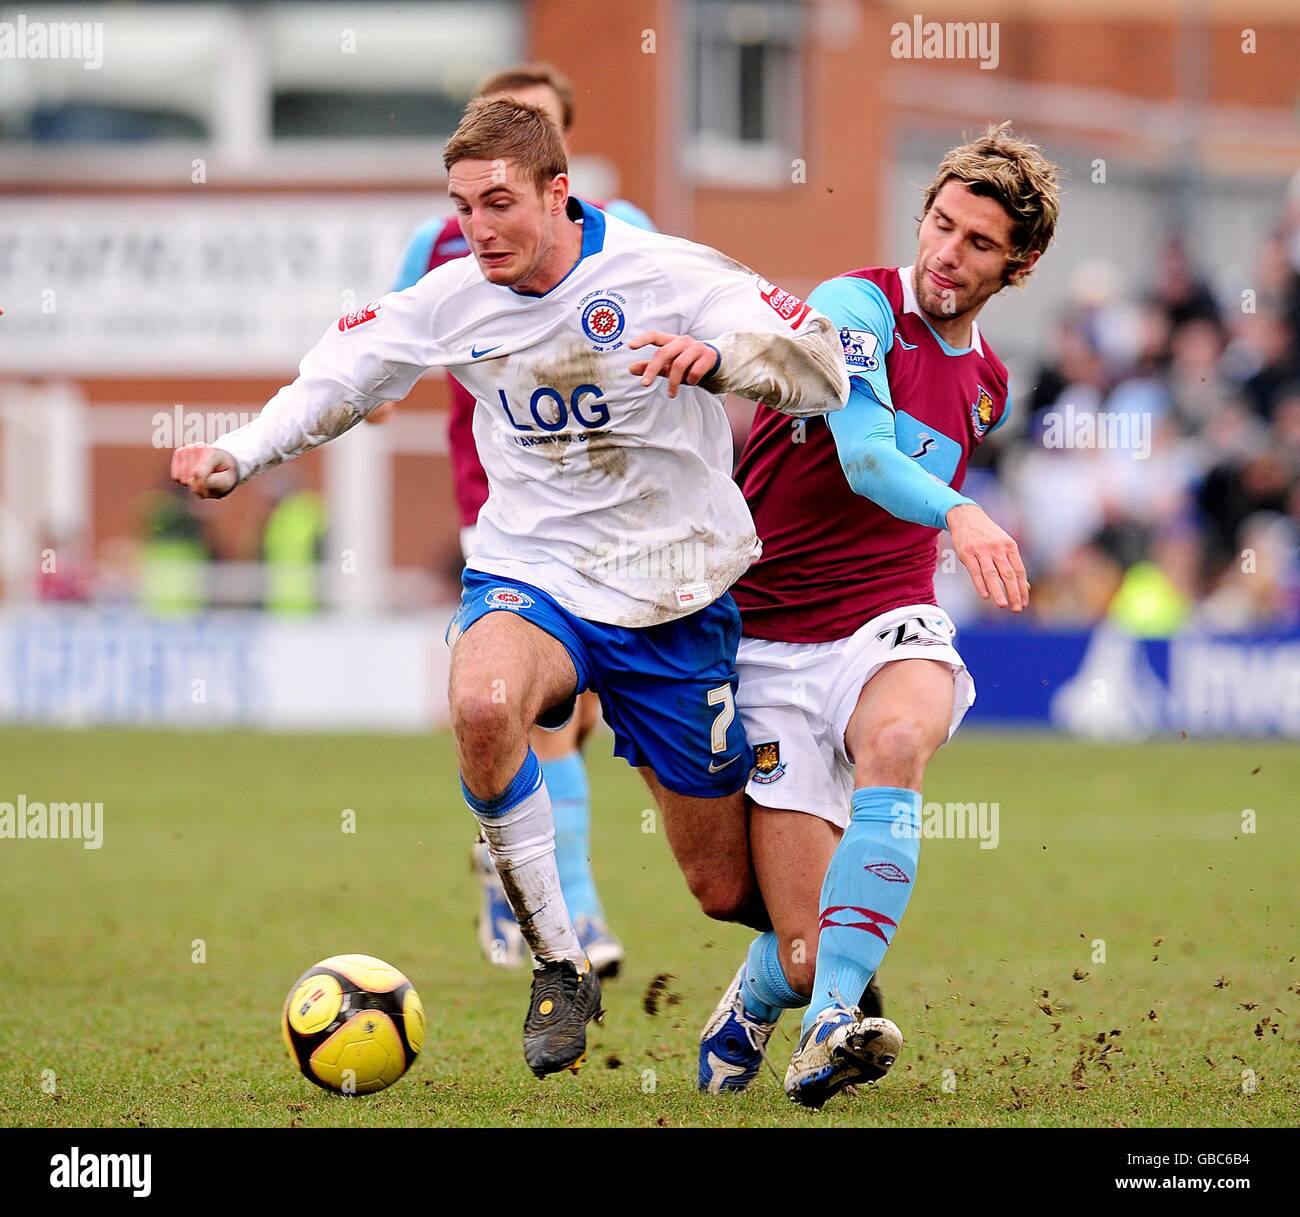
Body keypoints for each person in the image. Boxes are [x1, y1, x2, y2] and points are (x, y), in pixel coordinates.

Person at [172, 97, 848, 1078]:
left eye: (498, 203)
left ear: (558, 191)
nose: (478, 228)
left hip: (674, 597)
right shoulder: (455, 295)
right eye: (462, 207)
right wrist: (238, 451)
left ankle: (774, 978)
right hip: (531, 571)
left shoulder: (668, 275)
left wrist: (723, 358)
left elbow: (823, 366)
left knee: (722, 887)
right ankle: (558, 960)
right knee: (483, 704)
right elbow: (341, 373)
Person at [697, 122, 1060, 1108]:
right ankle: (775, 989)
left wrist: (948, 522)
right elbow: (863, 457)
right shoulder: (852, 305)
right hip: (763, 639)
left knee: (899, 736)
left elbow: (889, 497)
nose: (947, 253)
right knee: (806, 946)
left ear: (1017, 264)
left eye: (977, 243)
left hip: (887, 617)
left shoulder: (986, 384)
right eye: (940, 224)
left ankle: (828, 1028)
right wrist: (964, 510)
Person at [386, 63, 654, 978]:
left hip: (616, 520)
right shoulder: (439, 244)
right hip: (502, 516)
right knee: (541, 716)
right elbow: (387, 356)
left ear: (559, 163)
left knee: (567, 724)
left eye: (534, 130)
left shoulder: (631, 239)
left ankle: (512, 865)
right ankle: (572, 921)